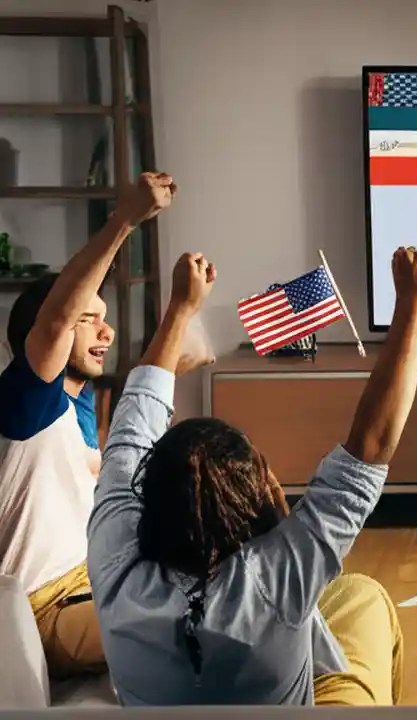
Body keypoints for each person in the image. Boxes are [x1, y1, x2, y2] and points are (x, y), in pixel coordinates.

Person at [86, 246, 417, 705]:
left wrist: (179, 307)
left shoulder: (113, 556)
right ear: (251, 507)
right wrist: (414, 308)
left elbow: (134, 421)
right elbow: (370, 447)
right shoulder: (277, 576)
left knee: (342, 599)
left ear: (146, 492)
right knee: (365, 598)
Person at [0, 172, 176, 679]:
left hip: (96, 578)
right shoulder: (23, 405)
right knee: (202, 622)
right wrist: (124, 218)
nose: (107, 328)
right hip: (47, 605)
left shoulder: (74, 407)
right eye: (88, 317)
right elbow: (56, 320)